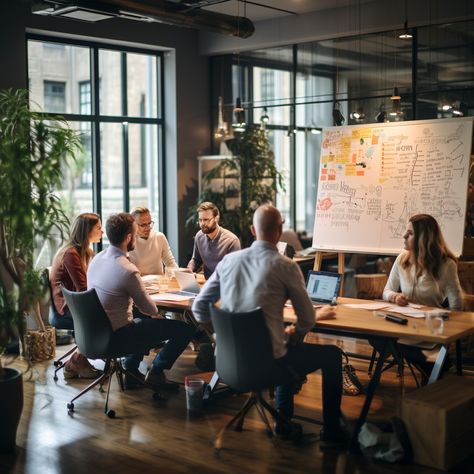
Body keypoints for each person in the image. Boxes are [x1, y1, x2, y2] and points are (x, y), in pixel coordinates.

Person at [192, 204, 345, 442]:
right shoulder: (285, 266)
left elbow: (199, 307)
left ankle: (284, 419)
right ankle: (330, 433)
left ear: (253, 230)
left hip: (226, 364)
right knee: (330, 355)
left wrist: (217, 336)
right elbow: (306, 319)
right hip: (268, 366)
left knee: (280, 343)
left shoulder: (229, 261)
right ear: (280, 230)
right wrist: (292, 333)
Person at [87, 212, 194, 389]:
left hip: (94, 333)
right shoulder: (127, 269)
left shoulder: (97, 259)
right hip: (118, 337)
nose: (137, 237)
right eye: (135, 234)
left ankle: (131, 369)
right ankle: (156, 372)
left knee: (141, 321)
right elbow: (150, 309)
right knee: (185, 329)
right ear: (128, 237)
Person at [382, 213, 463, 377]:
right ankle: (431, 368)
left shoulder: (446, 264)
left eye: (410, 234)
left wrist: (445, 330)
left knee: (434, 366)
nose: (404, 236)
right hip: (402, 325)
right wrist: (395, 297)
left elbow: (456, 307)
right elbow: (386, 292)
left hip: (428, 331)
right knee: (376, 336)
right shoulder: (401, 259)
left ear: (424, 238)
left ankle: (433, 369)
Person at [49, 212, 103, 379]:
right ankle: (78, 360)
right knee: (108, 318)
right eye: (99, 228)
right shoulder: (71, 254)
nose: (102, 232)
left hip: (72, 305)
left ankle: (77, 361)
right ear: (87, 231)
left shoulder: (84, 252)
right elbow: (83, 289)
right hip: (66, 310)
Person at [187, 201, 240, 279]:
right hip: (207, 283)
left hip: (224, 285)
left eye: (206, 220)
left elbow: (234, 271)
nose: (202, 224)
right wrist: (189, 270)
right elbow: (196, 260)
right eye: (200, 220)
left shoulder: (232, 241)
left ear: (216, 218)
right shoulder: (199, 236)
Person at [128, 206, 178, 276]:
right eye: (143, 225)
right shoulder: (128, 242)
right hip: (139, 283)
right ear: (133, 225)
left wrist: (179, 276)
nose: (148, 228)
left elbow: (170, 263)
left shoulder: (159, 237)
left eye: (149, 223)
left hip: (158, 283)